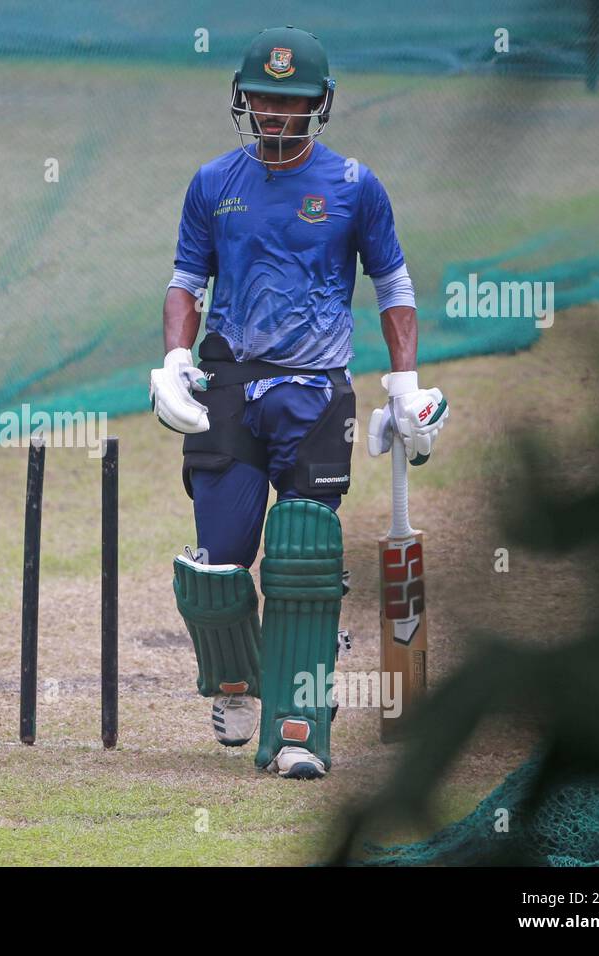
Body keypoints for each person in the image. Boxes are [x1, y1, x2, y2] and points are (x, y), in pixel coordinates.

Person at [150, 28, 449, 779]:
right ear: (241, 98)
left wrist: (405, 384)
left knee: (303, 558)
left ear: (320, 102)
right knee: (218, 568)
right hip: (227, 383)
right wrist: (176, 359)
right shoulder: (212, 183)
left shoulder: (354, 184)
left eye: (292, 99)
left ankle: (297, 729)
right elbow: (187, 280)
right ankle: (237, 680)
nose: (276, 112)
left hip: (315, 390)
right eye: (263, 97)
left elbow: (394, 285)